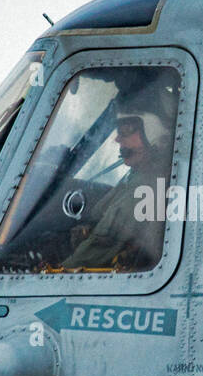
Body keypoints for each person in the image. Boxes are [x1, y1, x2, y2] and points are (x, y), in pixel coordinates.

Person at [60, 92, 172, 271]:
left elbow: (97, 249)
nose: (117, 138)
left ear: (155, 133)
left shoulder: (145, 188)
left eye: (126, 129)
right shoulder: (137, 175)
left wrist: (59, 269)